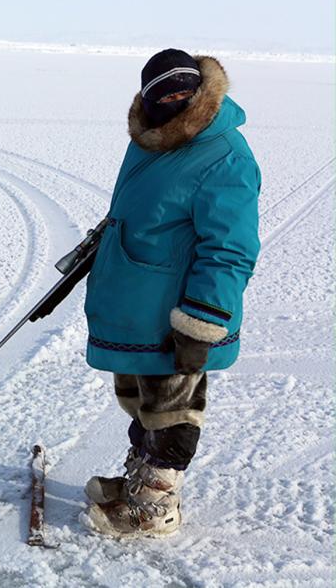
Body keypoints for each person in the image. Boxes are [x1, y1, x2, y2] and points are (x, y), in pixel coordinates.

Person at [80, 49, 261, 537]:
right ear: (149, 98)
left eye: (184, 90)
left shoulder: (225, 155)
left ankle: (157, 505)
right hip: (137, 302)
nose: (176, 100)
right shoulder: (151, 139)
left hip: (178, 310)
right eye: (163, 93)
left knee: (173, 407)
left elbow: (230, 249)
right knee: (142, 401)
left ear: (201, 90)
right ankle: (140, 480)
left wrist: (202, 320)